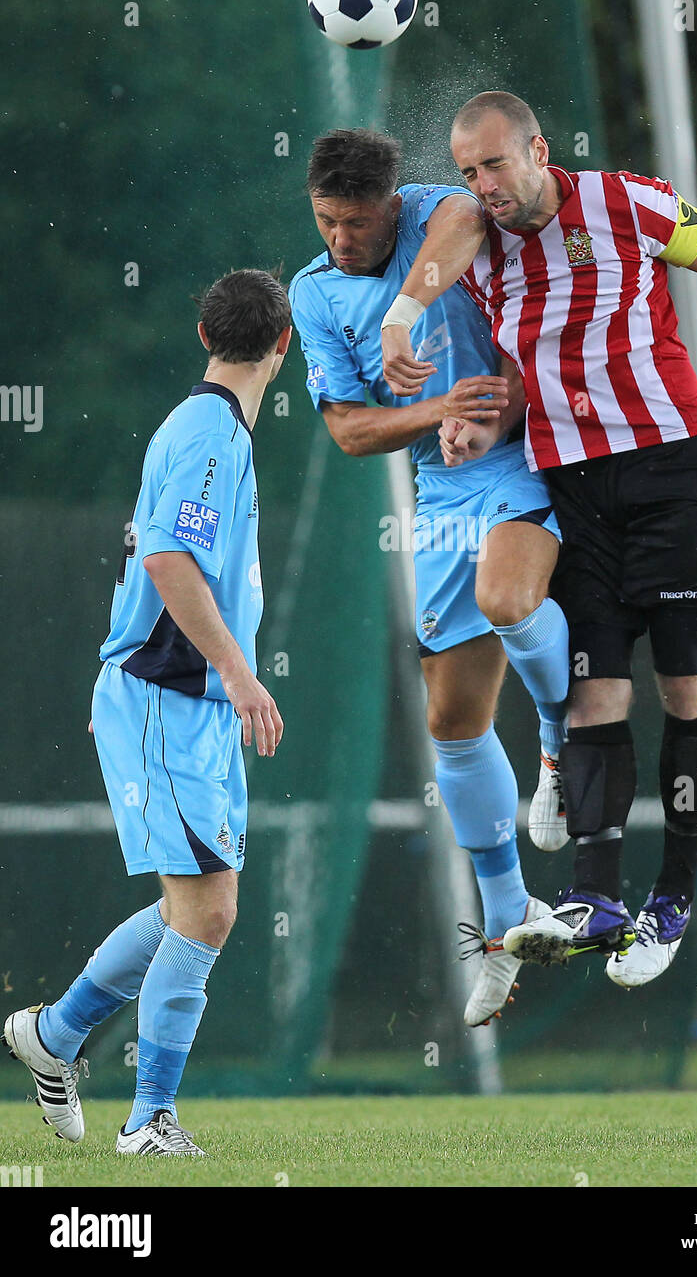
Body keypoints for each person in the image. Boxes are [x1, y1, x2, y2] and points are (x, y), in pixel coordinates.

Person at [381, 90, 697, 988]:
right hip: (575, 487)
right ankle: (595, 900)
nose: (484, 187)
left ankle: (669, 899)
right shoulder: (482, 252)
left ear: (538, 150)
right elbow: (524, 364)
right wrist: (486, 424)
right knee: (596, 688)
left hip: (673, 464)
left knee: (685, 683)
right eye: (469, 172)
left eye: (495, 165)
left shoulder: (623, 200)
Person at [289, 127, 573, 1027]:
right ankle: (507, 916)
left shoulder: (439, 213)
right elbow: (347, 430)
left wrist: (409, 321)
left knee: (508, 595)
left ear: (393, 203)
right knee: (453, 721)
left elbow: (462, 217)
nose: (343, 238)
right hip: (442, 493)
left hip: (529, 460)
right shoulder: (313, 292)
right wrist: (435, 413)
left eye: (358, 221)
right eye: (327, 221)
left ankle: (561, 746)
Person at [3, 269, 289, 1153]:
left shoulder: (202, 428)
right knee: (206, 910)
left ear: (204, 335)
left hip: (174, 701)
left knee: (195, 909)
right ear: (285, 347)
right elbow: (167, 559)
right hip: (174, 699)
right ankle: (148, 1118)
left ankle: (52, 1037)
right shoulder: (212, 435)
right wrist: (240, 675)